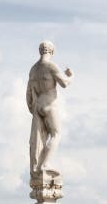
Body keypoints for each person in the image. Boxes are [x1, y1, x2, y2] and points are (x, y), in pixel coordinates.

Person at [26, 41, 73, 175]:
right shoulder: (50, 65)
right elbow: (64, 83)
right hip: (48, 103)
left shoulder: (33, 69)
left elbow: (28, 92)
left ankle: (39, 164)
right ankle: (45, 164)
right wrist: (71, 76)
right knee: (56, 134)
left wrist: (32, 108)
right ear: (52, 52)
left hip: (37, 105)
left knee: (41, 136)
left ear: (40, 51)